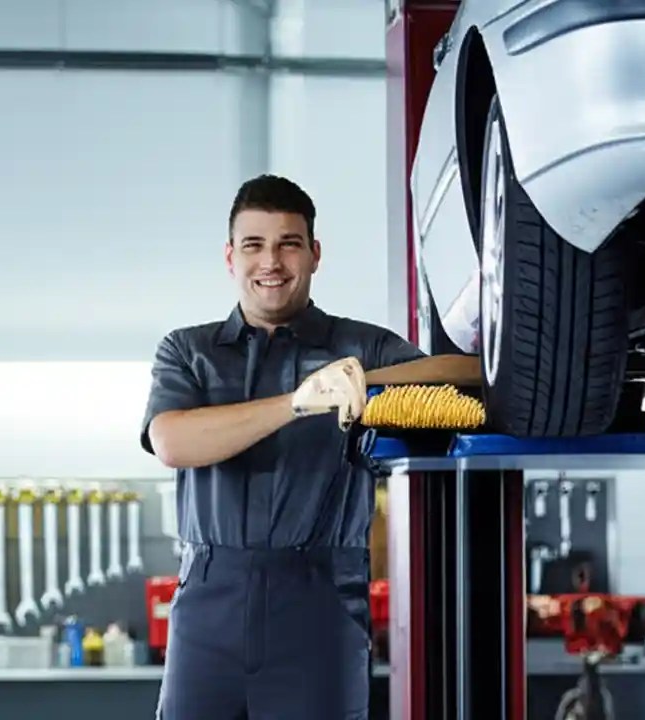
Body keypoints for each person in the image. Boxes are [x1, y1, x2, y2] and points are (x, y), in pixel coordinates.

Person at [141, 174, 479, 719]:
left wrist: (373, 381)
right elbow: (172, 441)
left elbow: (469, 376)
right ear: (231, 257)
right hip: (208, 606)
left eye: (288, 244)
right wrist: (298, 401)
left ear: (314, 254)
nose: (270, 262)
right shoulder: (188, 351)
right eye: (254, 245)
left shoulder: (357, 349)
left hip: (320, 603)